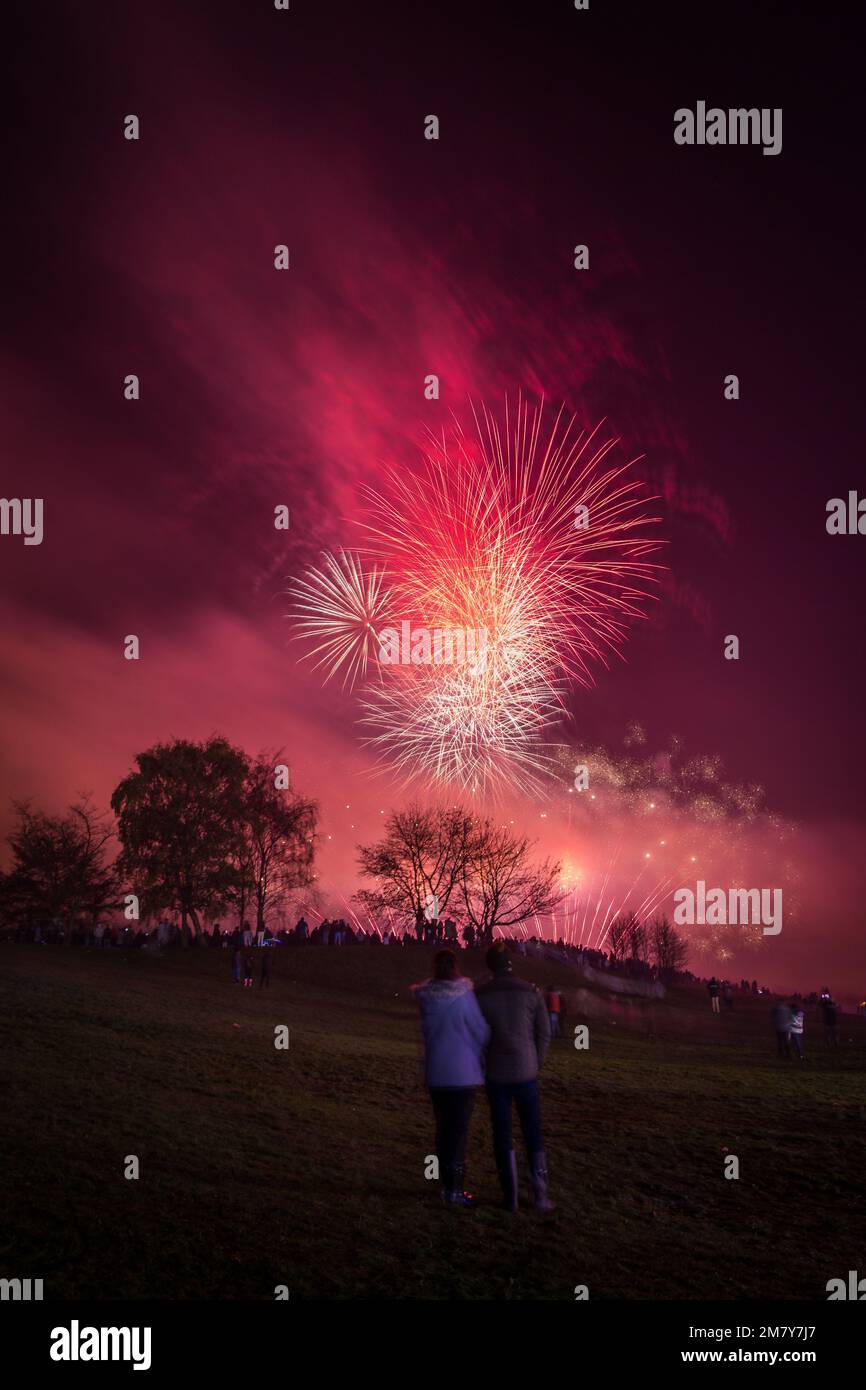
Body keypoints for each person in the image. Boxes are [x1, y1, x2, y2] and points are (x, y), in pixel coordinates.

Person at [476, 943, 554, 1213]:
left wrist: (484, 1064)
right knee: (532, 1132)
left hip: (496, 1073)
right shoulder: (531, 992)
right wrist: (535, 1060)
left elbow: (477, 1038)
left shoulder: (482, 995)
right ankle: (541, 1196)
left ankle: (510, 1196)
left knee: (503, 1134)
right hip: (527, 1072)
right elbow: (544, 1033)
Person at [413, 949, 490, 1208]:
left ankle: (445, 1187)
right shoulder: (465, 996)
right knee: (458, 1133)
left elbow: (425, 1031)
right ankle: (455, 1191)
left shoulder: (425, 998)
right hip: (462, 1073)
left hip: (436, 1072)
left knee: (443, 1130)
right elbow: (480, 1030)